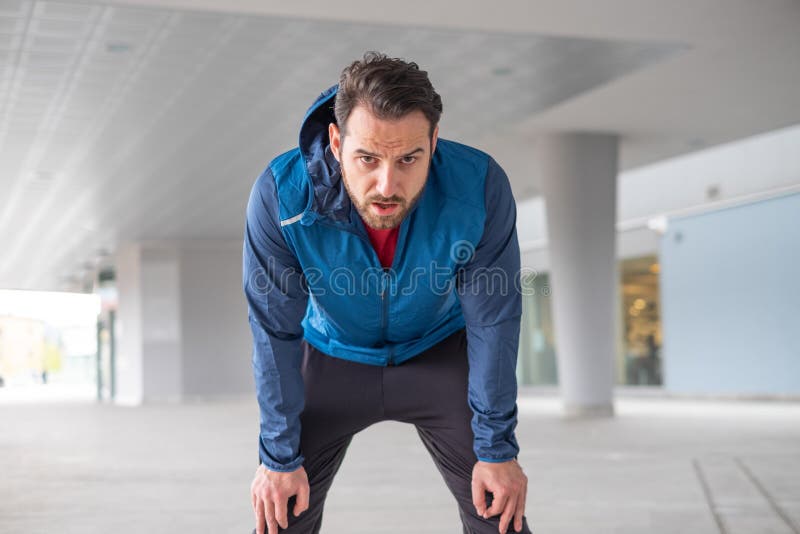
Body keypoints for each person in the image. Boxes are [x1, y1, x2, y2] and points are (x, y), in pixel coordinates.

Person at [243, 51, 532, 534]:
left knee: (500, 513)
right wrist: (276, 457)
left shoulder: (479, 186)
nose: (387, 183)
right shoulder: (282, 194)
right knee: (279, 516)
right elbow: (273, 329)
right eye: (367, 158)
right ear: (336, 143)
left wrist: (498, 449)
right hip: (330, 359)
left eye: (409, 159)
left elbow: (493, 320)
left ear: (434, 142)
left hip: (437, 354)